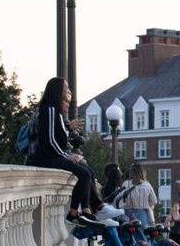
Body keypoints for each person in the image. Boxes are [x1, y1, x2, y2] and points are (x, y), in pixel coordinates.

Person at [30, 77, 122, 225]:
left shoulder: (54, 112)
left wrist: (69, 154)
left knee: (88, 170)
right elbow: (49, 139)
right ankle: (74, 213)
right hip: (46, 158)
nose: (68, 91)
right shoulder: (50, 111)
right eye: (66, 88)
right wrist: (65, 156)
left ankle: (91, 210)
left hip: (51, 156)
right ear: (58, 91)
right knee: (84, 174)